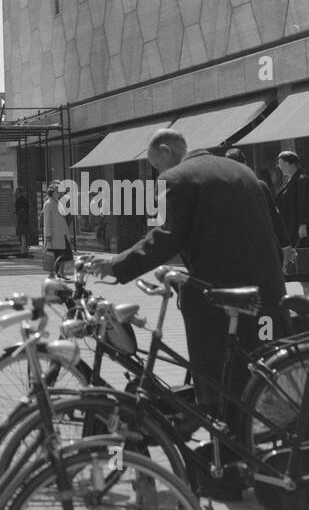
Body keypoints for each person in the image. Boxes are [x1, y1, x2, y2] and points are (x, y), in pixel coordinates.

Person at [93, 129, 287, 413]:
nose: (154, 169)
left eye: (154, 162)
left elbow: (165, 238)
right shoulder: (241, 170)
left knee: (219, 375)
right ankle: (258, 432)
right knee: (261, 366)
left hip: (222, 295)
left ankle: (221, 428)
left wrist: (117, 265)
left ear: (166, 151)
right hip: (267, 289)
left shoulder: (175, 179)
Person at [275, 150, 309, 288]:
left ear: (291, 164)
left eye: (282, 164)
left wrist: (303, 224)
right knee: (299, 260)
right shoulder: (289, 179)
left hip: (299, 226)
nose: (279, 167)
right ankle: (308, 291)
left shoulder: (302, 179)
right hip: (291, 224)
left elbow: (305, 203)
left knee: (303, 258)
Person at [225, 148, 287, 257]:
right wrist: (285, 245)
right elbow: (274, 217)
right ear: (245, 164)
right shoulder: (260, 186)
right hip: (261, 246)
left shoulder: (222, 189)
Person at [42, 182, 73, 268]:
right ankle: (56, 271)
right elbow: (47, 220)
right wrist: (48, 234)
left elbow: (62, 218)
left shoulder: (58, 202)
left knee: (64, 253)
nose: (58, 193)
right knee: (56, 254)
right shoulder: (48, 204)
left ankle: (61, 271)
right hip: (54, 234)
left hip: (61, 233)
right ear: (52, 192)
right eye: (57, 192)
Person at [13, 186, 30, 254]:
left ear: (19, 192)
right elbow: (28, 208)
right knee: (25, 233)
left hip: (20, 218)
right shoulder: (25, 199)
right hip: (25, 218)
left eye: (17, 191)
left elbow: (16, 209)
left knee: (21, 233)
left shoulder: (17, 199)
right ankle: (25, 247)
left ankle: (22, 247)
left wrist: (17, 214)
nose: (16, 193)